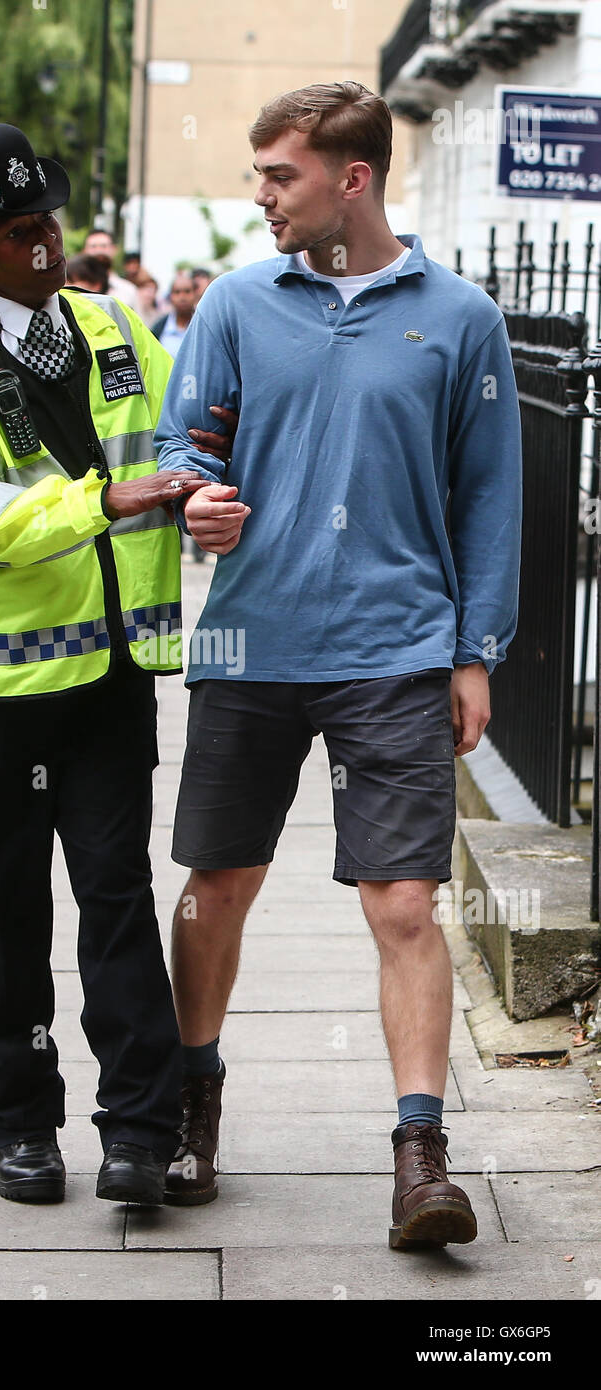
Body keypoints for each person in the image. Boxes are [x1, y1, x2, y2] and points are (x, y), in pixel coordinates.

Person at [154, 82, 522, 1248]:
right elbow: (182, 445)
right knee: (218, 886)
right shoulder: (234, 304)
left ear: (351, 179)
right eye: (261, 173)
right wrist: (193, 499)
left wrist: (477, 652)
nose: (260, 195)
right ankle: (191, 1096)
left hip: (398, 647)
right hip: (246, 639)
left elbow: (489, 494)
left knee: (404, 902)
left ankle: (422, 1155)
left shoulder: (461, 316)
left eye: (281, 176)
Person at [0, 122, 230, 1208]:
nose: (46, 245)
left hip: (104, 682)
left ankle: (140, 1126)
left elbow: (185, 434)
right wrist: (107, 498)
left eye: (47, 222)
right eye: (17, 231)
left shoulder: (115, 324)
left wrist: (204, 478)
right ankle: (20, 1121)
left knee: (117, 898)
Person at [82, 228, 139, 310]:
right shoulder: (72, 288)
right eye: (93, 246)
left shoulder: (128, 291)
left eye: (104, 246)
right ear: (84, 251)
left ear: (114, 250)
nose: (99, 251)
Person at [150, 271, 196, 359]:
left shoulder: (203, 327)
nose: (182, 297)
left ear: (194, 294)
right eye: (177, 292)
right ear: (171, 296)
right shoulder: (159, 329)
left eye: (187, 291)